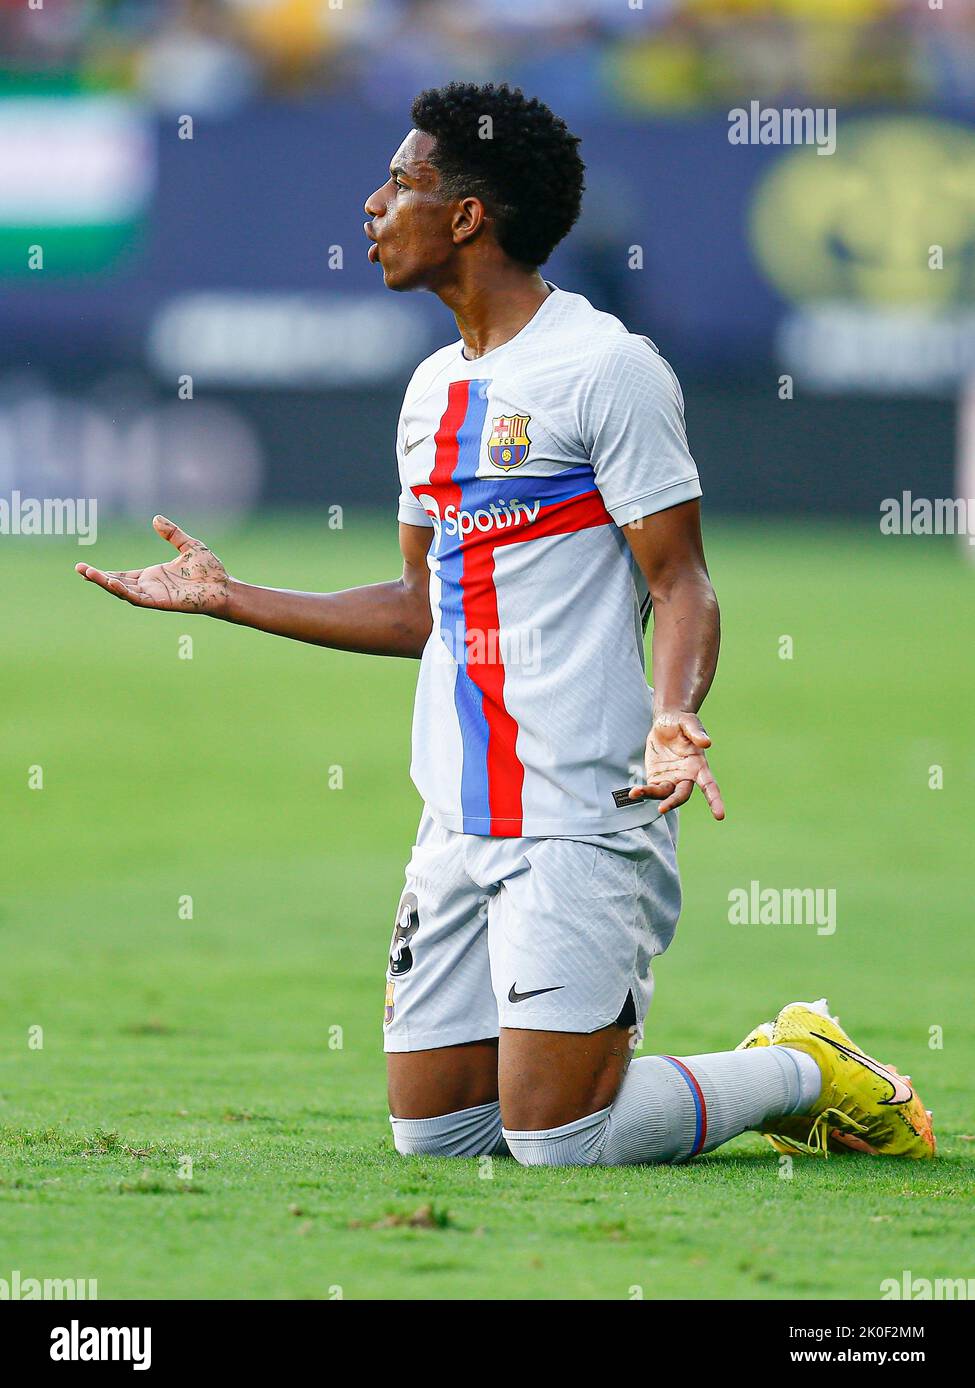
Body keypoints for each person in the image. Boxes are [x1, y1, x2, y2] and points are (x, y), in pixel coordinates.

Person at [77, 82, 934, 1165]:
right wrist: (228, 596)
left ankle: (802, 1066)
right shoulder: (432, 390)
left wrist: (675, 713)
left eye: (402, 182)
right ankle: (729, 1068)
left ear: (469, 215)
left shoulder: (608, 370)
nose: (374, 203)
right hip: (457, 816)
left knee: (559, 1143)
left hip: (581, 807)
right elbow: (416, 608)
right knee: (437, 1135)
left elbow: (682, 583)